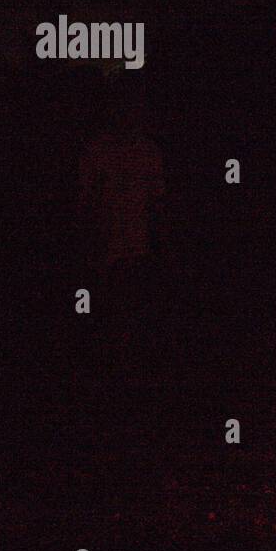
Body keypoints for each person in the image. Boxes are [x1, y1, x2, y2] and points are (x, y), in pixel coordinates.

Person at [77, 82, 166, 377]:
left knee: (133, 311)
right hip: (108, 246)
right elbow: (87, 204)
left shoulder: (148, 151)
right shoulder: (97, 151)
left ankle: (130, 369)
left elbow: (156, 203)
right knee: (110, 313)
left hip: (137, 246)